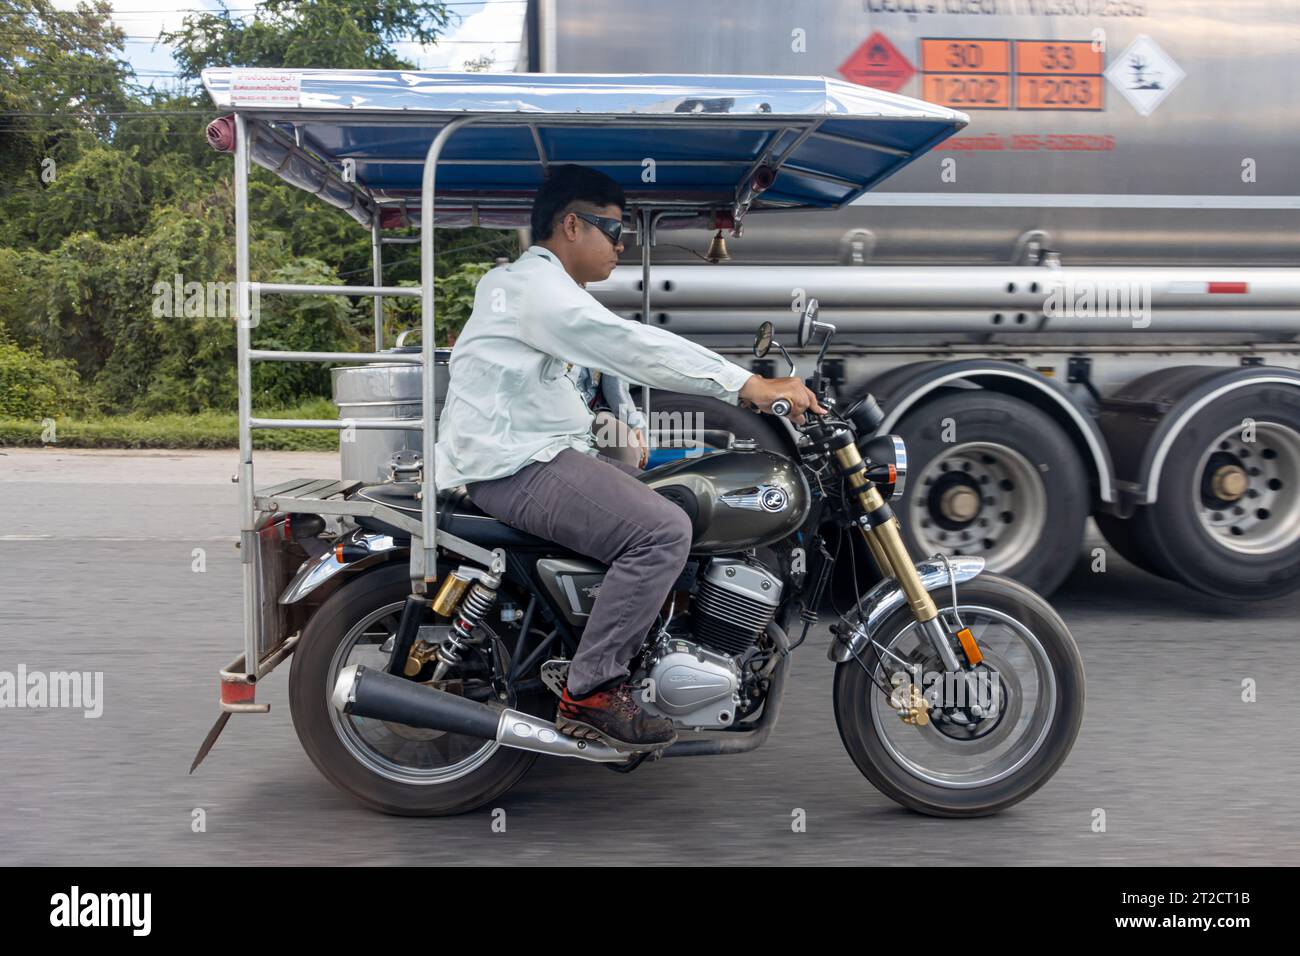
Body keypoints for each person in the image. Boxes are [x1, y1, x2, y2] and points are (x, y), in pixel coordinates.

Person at [433, 164, 823, 752]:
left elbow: (588, 370)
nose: (622, 245)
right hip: (515, 465)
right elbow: (630, 345)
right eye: (613, 231)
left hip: (525, 454)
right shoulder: (535, 289)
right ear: (570, 226)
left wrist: (618, 430)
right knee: (665, 530)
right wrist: (750, 386)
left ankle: (655, 646)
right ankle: (591, 691)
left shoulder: (540, 290)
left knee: (672, 487)